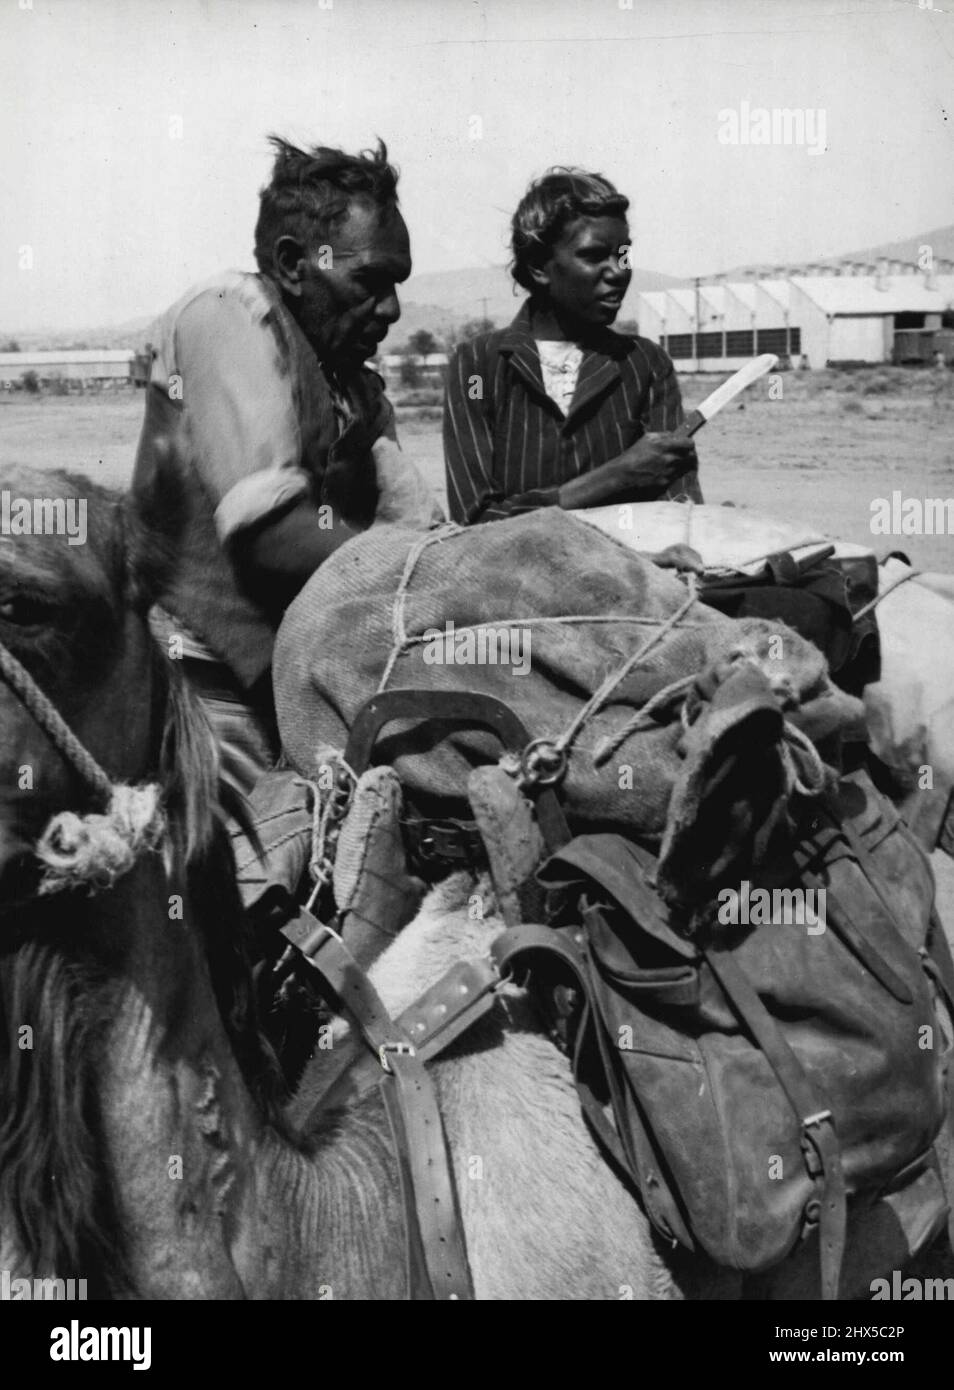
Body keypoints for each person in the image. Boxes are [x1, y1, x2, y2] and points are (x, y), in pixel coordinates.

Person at [132, 137, 440, 793]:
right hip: (197, 691)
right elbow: (267, 531)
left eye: (397, 285)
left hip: (296, 686)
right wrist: (438, 577)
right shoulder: (227, 316)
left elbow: (417, 525)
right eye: (371, 281)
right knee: (247, 871)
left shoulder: (352, 384)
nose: (390, 308)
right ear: (295, 264)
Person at [443, 167, 701, 526]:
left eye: (623, 254)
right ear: (538, 268)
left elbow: (681, 512)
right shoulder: (478, 364)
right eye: (595, 256)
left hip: (630, 572)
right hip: (515, 576)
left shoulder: (645, 364)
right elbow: (474, 519)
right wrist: (614, 478)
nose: (618, 271)